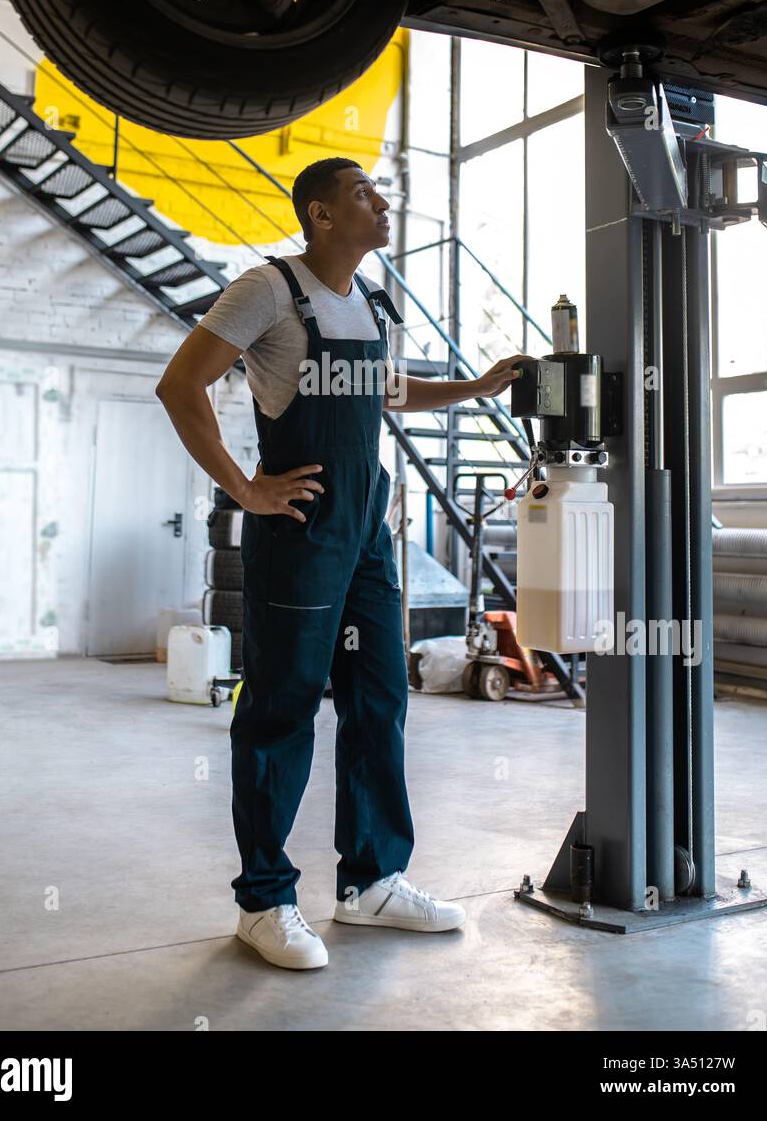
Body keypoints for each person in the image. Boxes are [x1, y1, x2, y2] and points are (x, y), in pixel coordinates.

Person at [156, 157, 532, 970]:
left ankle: (370, 884)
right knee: (282, 709)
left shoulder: (369, 299)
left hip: (367, 530)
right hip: (299, 526)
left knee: (378, 698)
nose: (382, 201)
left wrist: (476, 386)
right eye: (364, 192)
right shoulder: (267, 289)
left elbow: (387, 391)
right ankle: (264, 901)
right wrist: (245, 490)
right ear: (321, 214)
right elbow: (181, 385)